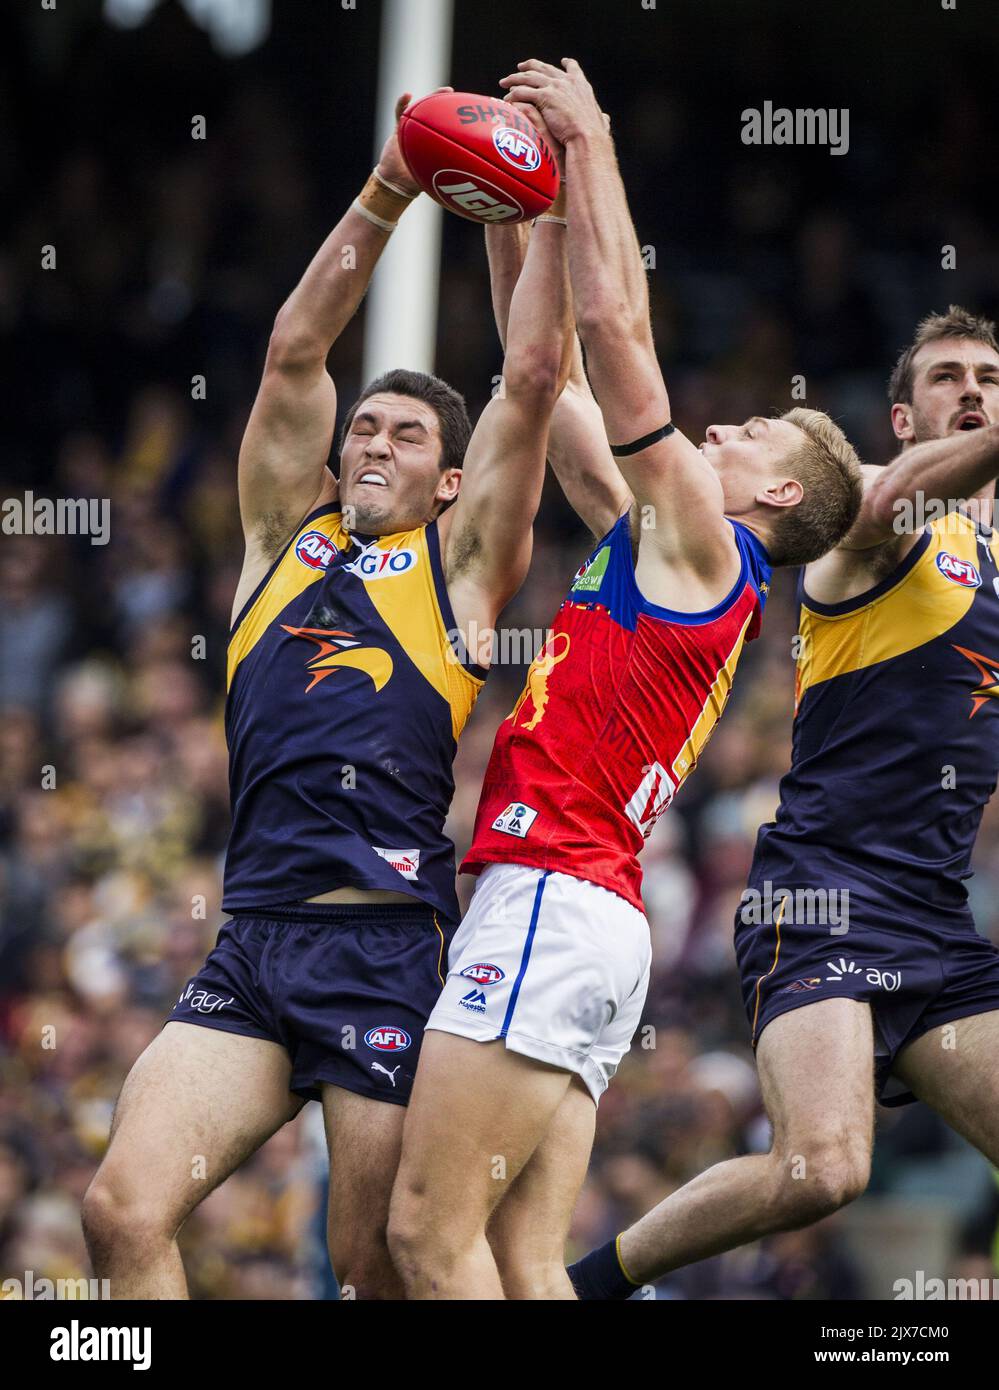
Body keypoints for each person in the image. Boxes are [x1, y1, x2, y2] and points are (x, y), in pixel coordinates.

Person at [81, 90, 573, 1300]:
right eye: (364, 426)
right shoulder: (274, 542)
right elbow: (296, 352)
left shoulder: (461, 570)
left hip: (385, 948)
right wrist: (392, 184)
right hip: (254, 938)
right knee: (118, 1210)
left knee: (375, 1265)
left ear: (452, 480)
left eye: (406, 435)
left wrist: (542, 204)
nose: (372, 442)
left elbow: (534, 380)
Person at [386, 57, 864, 1301]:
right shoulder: (658, 547)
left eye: (752, 434)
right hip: (586, 921)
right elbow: (548, 378)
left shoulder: (710, 541)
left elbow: (620, 335)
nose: (723, 430)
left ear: (778, 496)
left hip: (551, 900)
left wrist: (590, 147)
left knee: (425, 1242)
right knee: (523, 1261)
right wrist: (519, 212)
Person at [571, 305, 999, 1299]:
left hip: (937, 914)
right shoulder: (875, 522)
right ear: (902, 417)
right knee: (823, 1168)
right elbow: (891, 498)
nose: (971, 390)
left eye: (987, 374)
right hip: (825, 893)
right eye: (946, 377)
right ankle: (588, 1286)